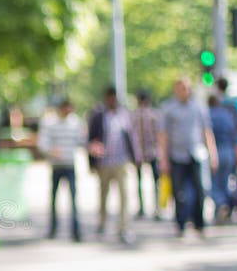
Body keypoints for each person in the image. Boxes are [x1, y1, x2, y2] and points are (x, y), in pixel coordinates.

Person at [158, 78, 219, 238]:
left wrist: (213, 154)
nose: (183, 91)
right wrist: (163, 158)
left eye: (185, 88)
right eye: (180, 88)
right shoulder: (168, 109)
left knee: (201, 189)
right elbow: (163, 135)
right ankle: (181, 223)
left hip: (196, 153)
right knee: (179, 191)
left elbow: (207, 131)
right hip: (177, 155)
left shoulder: (198, 108)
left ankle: (199, 223)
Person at [88, 86, 139, 244]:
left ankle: (124, 227)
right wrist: (91, 162)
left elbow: (130, 137)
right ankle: (102, 223)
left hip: (121, 162)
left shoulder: (123, 115)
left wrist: (135, 158)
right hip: (104, 163)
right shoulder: (98, 116)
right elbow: (91, 140)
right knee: (103, 195)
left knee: (124, 196)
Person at [38, 100, 86, 241]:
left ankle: (76, 231)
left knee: (73, 199)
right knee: (54, 199)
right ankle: (53, 229)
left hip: (70, 165)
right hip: (56, 167)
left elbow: (81, 141)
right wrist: (51, 152)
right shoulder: (50, 123)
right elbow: (42, 143)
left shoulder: (75, 122)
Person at [207, 94, 237, 224]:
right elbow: (234, 134)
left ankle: (220, 203)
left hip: (215, 151)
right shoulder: (226, 115)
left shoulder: (208, 115)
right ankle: (226, 205)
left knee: (214, 183)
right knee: (226, 181)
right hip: (228, 150)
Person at [131, 90, 161, 220]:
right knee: (154, 182)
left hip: (140, 153)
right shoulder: (153, 115)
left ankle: (143, 207)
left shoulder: (134, 116)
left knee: (140, 182)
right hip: (152, 152)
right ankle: (157, 209)